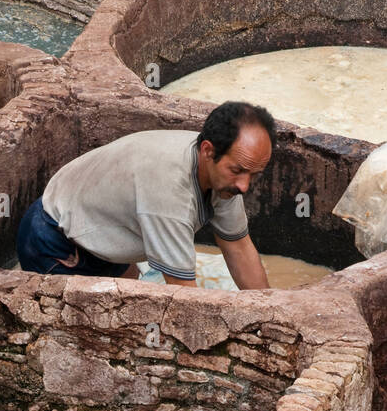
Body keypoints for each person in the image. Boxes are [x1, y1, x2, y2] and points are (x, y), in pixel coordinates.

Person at [16, 100, 275, 289]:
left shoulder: (226, 175)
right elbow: (183, 294)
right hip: (54, 240)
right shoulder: (169, 190)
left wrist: (267, 320)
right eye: (238, 171)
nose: (244, 186)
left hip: (101, 232)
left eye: (254, 174)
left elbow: (239, 248)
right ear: (208, 151)